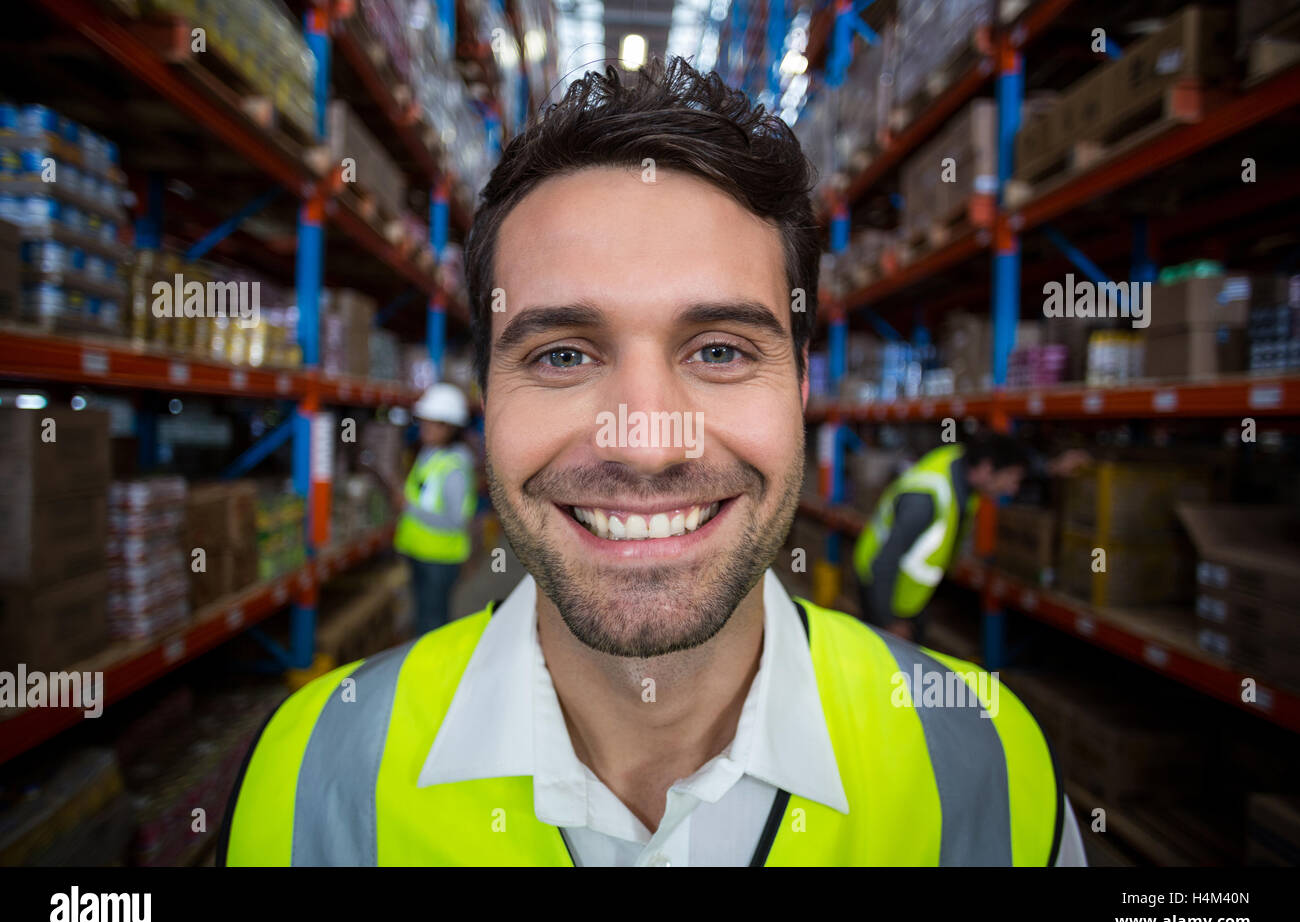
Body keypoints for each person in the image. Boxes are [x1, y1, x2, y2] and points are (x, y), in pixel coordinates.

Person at [220, 58, 1085, 866]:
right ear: (485, 395)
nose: (644, 442)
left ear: (802, 387)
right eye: (562, 355)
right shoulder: (310, 777)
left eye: (718, 350)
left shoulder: (990, 763)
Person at [853, 435, 1088, 644]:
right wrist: (887, 622)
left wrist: (1049, 466)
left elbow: (1005, 458)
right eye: (1011, 479)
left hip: (911, 597)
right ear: (986, 470)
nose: (1013, 489)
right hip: (881, 591)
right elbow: (883, 563)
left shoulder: (963, 464)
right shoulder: (925, 500)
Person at [392, 382, 477, 636]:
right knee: (423, 618)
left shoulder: (454, 468)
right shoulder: (430, 454)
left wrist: (409, 508)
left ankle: (433, 672)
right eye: (425, 421)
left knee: (433, 624)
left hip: (439, 560)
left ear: (452, 427)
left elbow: (456, 521)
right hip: (420, 553)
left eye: (436, 423)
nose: (427, 429)